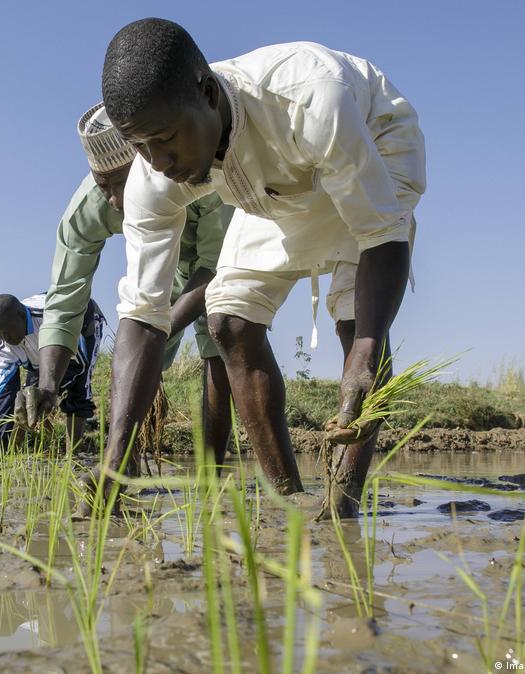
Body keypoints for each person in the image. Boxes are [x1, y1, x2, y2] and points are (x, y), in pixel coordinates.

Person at [96, 19, 426, 517]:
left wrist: (367, 348)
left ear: (208, 94)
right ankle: (289, 497)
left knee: (357, 324)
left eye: (165, 139)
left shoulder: (312, 98)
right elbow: (143, 317)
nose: (157, 161)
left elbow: (380, 233)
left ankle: (341, 505)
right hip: (272, 188)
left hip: (370, 145)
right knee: (229, 318)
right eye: (139, 145)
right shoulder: (153, 173)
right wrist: (114, 463)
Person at [16, 102, 235, 472]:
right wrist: (48, 384)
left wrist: (158, 330)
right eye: (104, 186)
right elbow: (65, 298)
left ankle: (211, 474)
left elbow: (215, 267)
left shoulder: (199, 177)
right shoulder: (87, 210)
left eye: (122, 182)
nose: (116, 199)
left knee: (222, 329)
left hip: (211, 258)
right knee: (136, 345)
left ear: (149, 160)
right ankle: (124, 463)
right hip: (159, 261)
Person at [0, 293, 103, 451]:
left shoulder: (50, 319)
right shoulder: (1, 342)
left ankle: (73, 451)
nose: (4, 338)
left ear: (22, 317)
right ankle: (8, 447)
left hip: (82, 320)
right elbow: (1, 393)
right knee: (31, 395)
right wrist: (0, 447)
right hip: (40, 344)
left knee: (79, 388)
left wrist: (50, 391)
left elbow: (79, 365)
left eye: (7, 332)